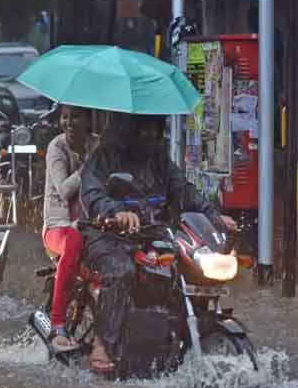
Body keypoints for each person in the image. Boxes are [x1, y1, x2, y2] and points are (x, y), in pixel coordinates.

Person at [79, 113, 238, 374]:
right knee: (122, 271)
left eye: (154, 129)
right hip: (106, 234)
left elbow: (185, 190)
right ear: (129, 128)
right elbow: (92, 193)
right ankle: (103, 342)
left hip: (153, 232)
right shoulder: (103, 157)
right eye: (144, 129)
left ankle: (181, 331)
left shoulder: (159, 159)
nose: (150, 135)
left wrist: (214, 215)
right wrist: (115, 212)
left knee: (188, 266)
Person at [42, 105, 95, 351]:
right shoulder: (57, 147)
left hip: (93, 222)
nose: (69, 122)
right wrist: (89, 166)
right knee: (73, 239)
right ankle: (58, 323)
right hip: (59, 226)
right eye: (65, 117)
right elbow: (64, 190)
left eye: (76, 117)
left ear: (87, 120)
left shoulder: (98, 145)